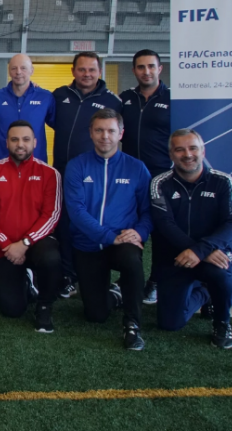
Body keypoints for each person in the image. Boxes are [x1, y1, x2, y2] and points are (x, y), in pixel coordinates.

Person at [65, 109, 152, 351]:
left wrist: (140, 233)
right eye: (99, 130)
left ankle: (133, 324)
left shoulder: (137, 168)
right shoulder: (76, 166)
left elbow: (148, 211)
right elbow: (77, 212)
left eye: (111, 130)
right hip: (88, 245)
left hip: (123, 243)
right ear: (91, 133)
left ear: (121, 133)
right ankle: (115, 294)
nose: (105, 136)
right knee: (96, 314)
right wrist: (109, 237)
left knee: (132, 258)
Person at [150, 129, 232, 349]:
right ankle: (203, 294)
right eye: (179, 150)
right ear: (171, 154)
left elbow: (231, 223)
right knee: (170, 324)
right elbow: (165, 225)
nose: (187, 154)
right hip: (174, 259)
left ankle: (222, 323)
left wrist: (201, 251)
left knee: (221, 273)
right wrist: (195, 251)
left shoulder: (223, 182)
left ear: (202, 150)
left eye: (192, 148)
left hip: (210, 255)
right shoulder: (159, 183)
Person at [0, 120, 62, 333]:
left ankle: (44, 306)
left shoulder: (50, 174)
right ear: (6, 142)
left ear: (35, 142)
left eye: (25, 139)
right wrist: (5, 244)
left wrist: (24, 243)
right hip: (4, 249)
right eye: (14, 139)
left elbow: (51, 215)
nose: (20, 144)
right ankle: (27, 283)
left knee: (51, 258)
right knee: (12, 310)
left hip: (36, 244)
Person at [51, 51, 122, 297]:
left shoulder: (113, 101)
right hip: (61, 171)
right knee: (64, 222)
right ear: (73, 71)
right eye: (82, 69)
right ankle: (68, 275)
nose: (87, 74)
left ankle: (98, 275)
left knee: (91, 220)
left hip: (95, 173)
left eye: (92, 70)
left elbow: (117, 133)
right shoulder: (60, 95)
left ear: (99, 72)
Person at [119, 49, 171, 305]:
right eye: (141, 67)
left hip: (162, 177)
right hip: (131, 177)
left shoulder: (174, 99)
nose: (146, 71)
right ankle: (130, 278)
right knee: (131, 227)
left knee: (162, 231)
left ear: (160, 69)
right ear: (134, 70)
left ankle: (157, 281)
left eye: (151, 66)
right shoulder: (125, 99)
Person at [0, 54, 54, 163]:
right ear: (9, 71)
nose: (18, 72)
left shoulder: (45, 97)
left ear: (32, 70)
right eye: (14, 68)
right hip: (3, 164)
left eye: (23, 68)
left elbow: (60, 127)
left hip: (36, 164)